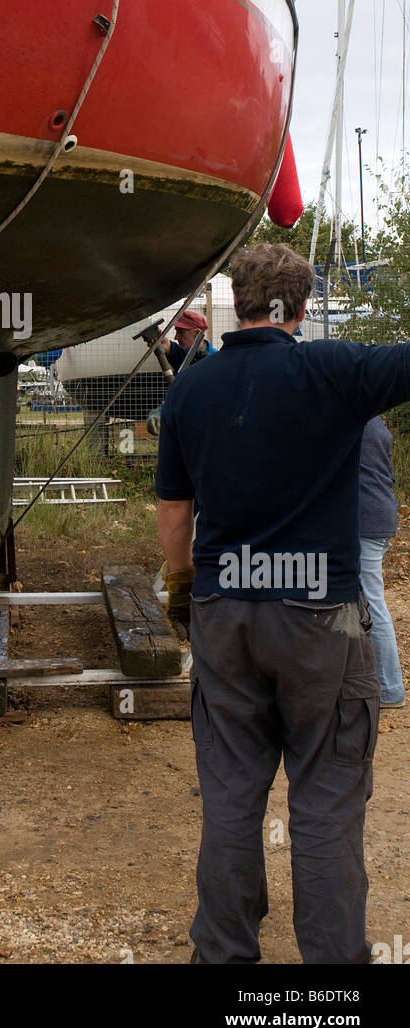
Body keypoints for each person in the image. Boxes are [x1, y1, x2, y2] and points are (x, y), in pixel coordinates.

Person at [155, 242, 410, 965]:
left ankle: (225, 954)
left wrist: (181, 589)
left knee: (232, 795)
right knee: (326, 804)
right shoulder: (333, 372)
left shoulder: (191, 388)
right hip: (318, 622)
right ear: (299, 309)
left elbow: (173, 511)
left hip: (224, 612)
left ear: (237, 302)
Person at [358, 415, 405, 708]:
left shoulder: (353, 420)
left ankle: (390, 689)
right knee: (362, 600)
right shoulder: (375, 422)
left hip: (365, 520)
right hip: (380, 513)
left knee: (371, 603)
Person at [160, 309, 215, 375]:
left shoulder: (214, 360)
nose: (176, 337)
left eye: (181, 332)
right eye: (176, 331)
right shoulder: (184, 355)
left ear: (197, 333)